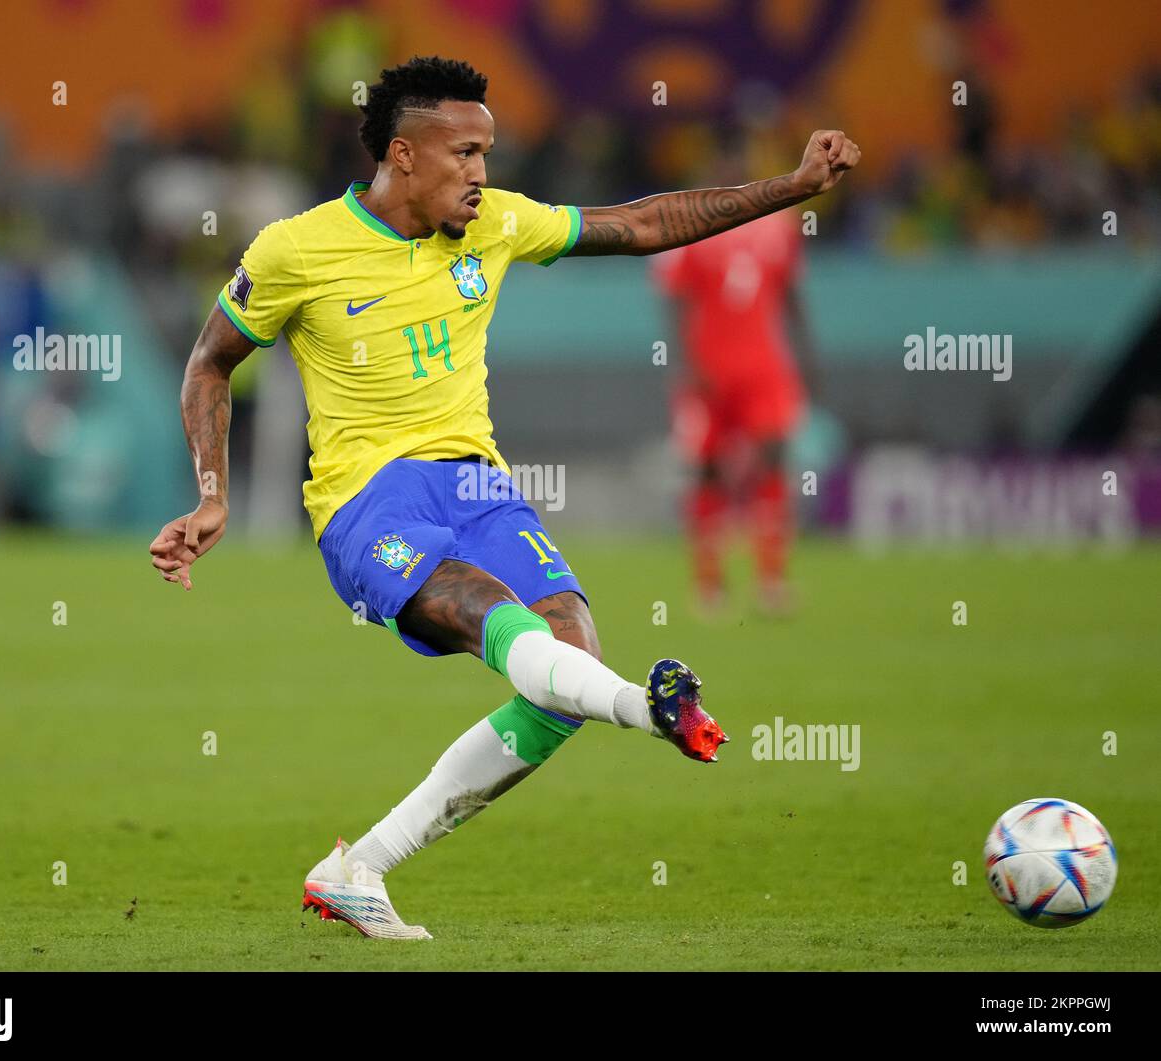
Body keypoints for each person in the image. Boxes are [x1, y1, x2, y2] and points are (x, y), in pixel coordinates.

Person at [150, 57, 859, 939]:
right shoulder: (297, 248)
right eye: (465, 153)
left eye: (488, 152)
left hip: (479, 486)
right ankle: (650, 708)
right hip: (370, 501)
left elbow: (642, 223)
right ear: (403, 155)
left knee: (570, 654)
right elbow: (211, 359)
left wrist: (790, 187)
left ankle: (359, 866)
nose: (482, 172)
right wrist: (212, 493)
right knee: (498, 620)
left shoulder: (496, 224)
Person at [653, 157, 818, 615]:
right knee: (707, 471)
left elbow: (792, 296)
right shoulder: (692, 221)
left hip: (765, 368)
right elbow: (676, 300)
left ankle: (771, 581)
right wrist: (685, 363)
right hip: (710, 369)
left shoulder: (779, 225)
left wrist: (807, 359)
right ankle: (710, 586)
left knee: (773, 465)